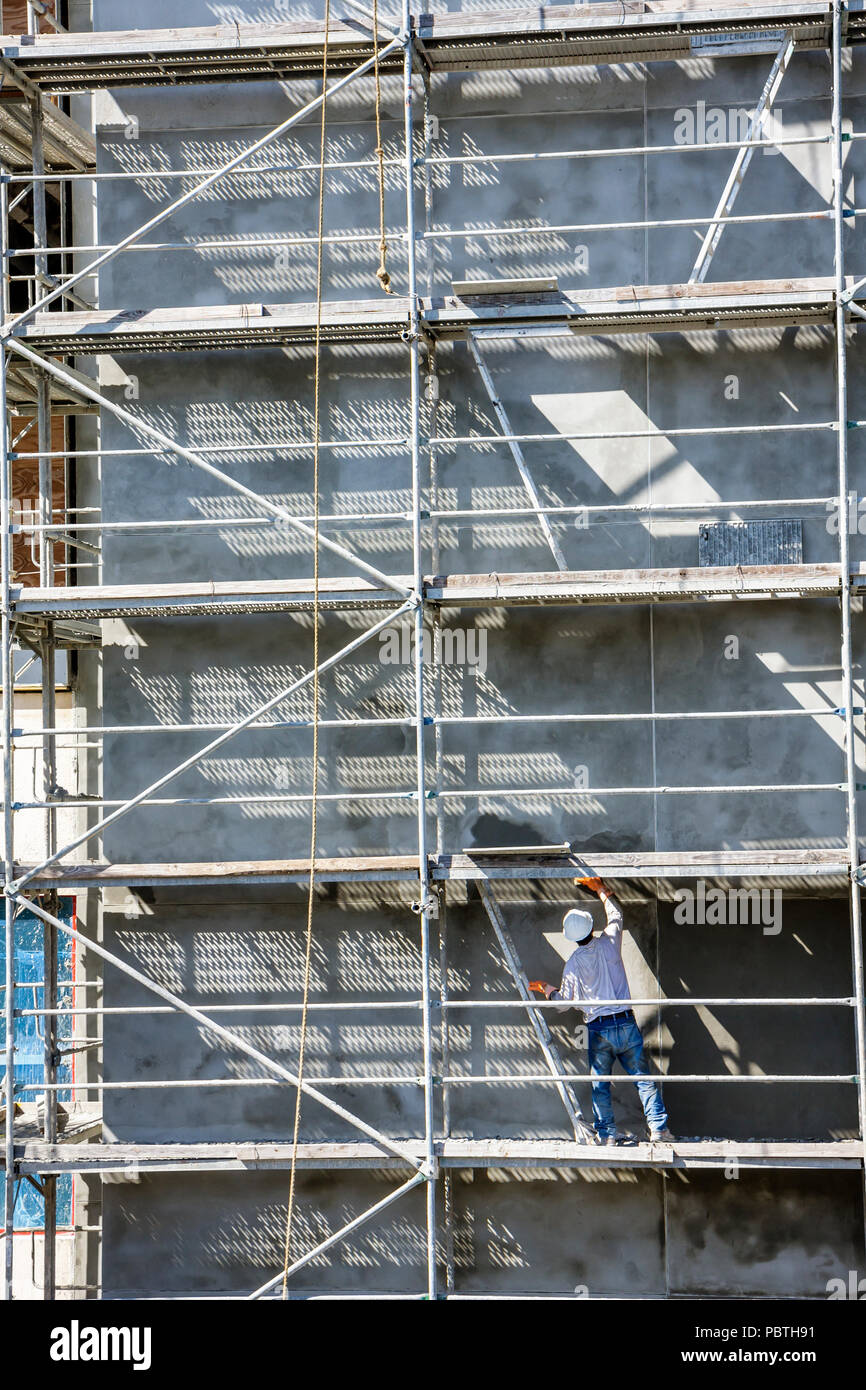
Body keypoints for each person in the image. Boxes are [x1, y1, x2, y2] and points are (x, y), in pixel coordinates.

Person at [532, 876, 673, 1147]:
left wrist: (546, 988)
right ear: (591, 927)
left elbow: (562, 1003)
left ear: (571, 938)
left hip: (599, 1029)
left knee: (600, 1086)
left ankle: (606, 1135)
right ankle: (658, 1129)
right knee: (643, 1079)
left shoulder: (573, 964)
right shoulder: (609, 942)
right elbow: (617, 915)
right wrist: (600, 890)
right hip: (625, 1022)